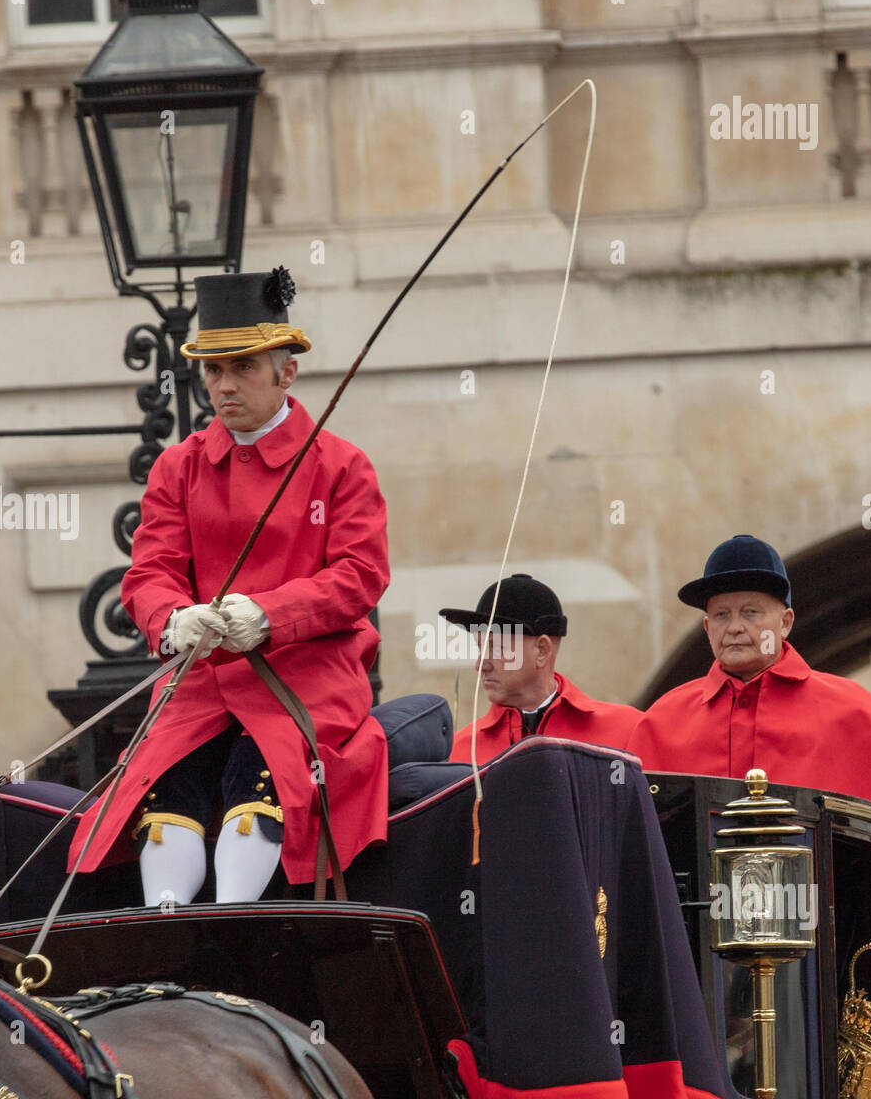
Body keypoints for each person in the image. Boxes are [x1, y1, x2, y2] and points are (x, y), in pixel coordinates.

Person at [66, 267, 389, 904]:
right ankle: (169, 925)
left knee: (260, 786)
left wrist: (270, 616)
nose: (223, 385)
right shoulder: (178, 466)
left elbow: (361, 575)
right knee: (163, 789)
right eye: (212, 370)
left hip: (307, 678)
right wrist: (170, 619)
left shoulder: (342, 464)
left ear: (286, 371)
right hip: (199, 681)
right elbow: (150, 572)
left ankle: (233, 917)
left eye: (241, 367)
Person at [632, 535, 871, 817]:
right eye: (722, 614)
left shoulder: (859, 712)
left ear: (785, 623)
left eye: (750, 612)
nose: (734, 627)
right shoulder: (661, 720)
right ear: (708, 629)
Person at [440, 574, 647, 764]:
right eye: (480, 648)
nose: (480, 665)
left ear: (542, 650)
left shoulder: (629, 731)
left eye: (496, 648)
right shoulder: (458, 753)